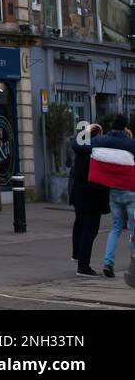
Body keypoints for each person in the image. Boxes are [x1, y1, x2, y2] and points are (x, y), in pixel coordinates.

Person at [87, 116, 135, 279]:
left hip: (114, 191)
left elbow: (83, 144)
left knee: (115, 228)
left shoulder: (100, 140)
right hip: (131, 192)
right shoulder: (130, 144)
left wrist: (88, 130)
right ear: (125, 127)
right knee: (133, 228)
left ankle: (108, 263)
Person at [69, 123, 108, 277]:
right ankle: (83, 266)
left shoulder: (80, 149)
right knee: (90, 229)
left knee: (80, 223)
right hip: (94, 194)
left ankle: (76, 255)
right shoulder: (99, 152)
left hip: (79, 193)